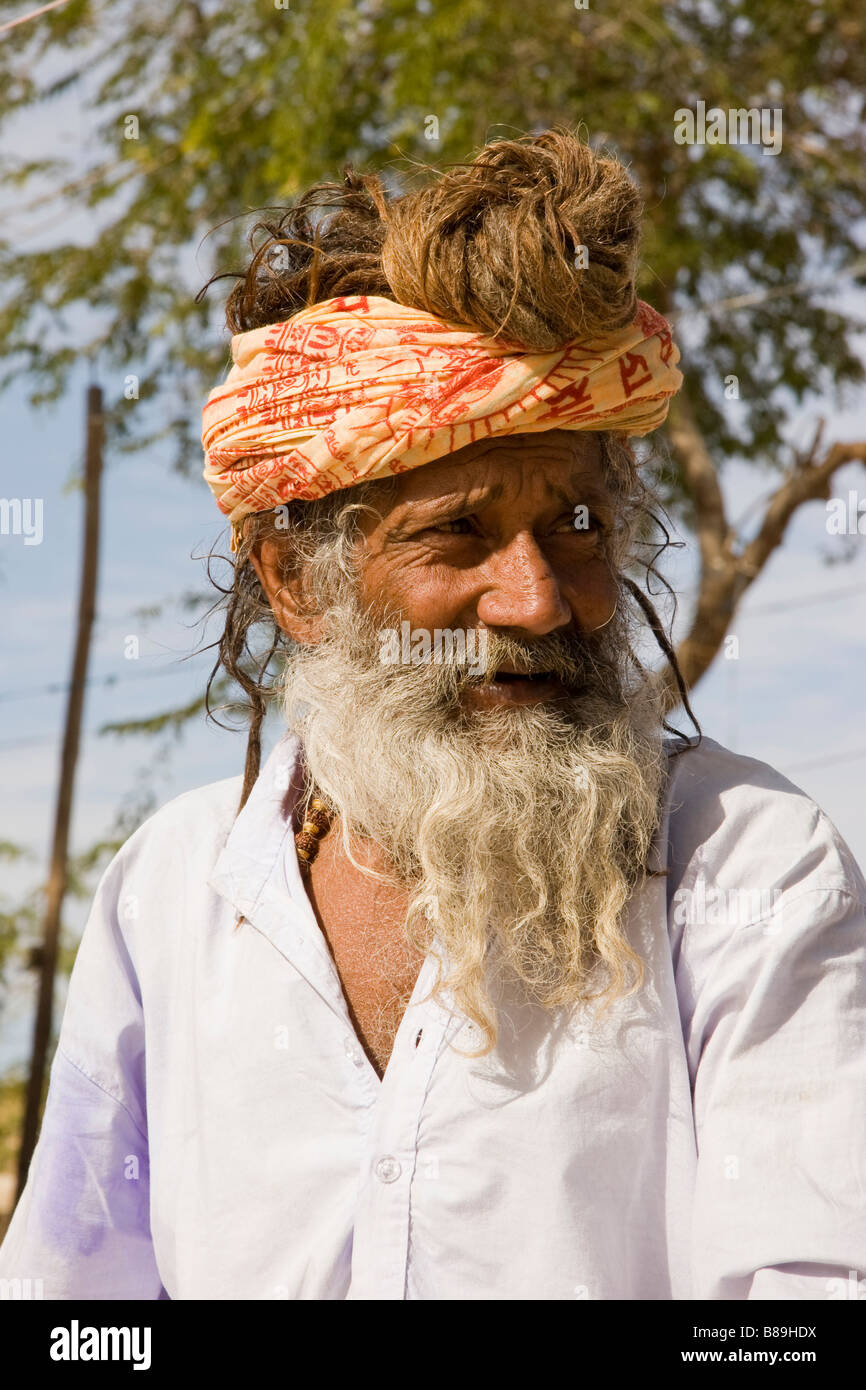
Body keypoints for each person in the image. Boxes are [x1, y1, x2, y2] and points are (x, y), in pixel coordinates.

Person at [2, 128, 865, 1301]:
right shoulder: (172, 893)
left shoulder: (746, 866)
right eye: (454, 532)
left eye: (576, 525)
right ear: (296, 583)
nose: (535, 599)